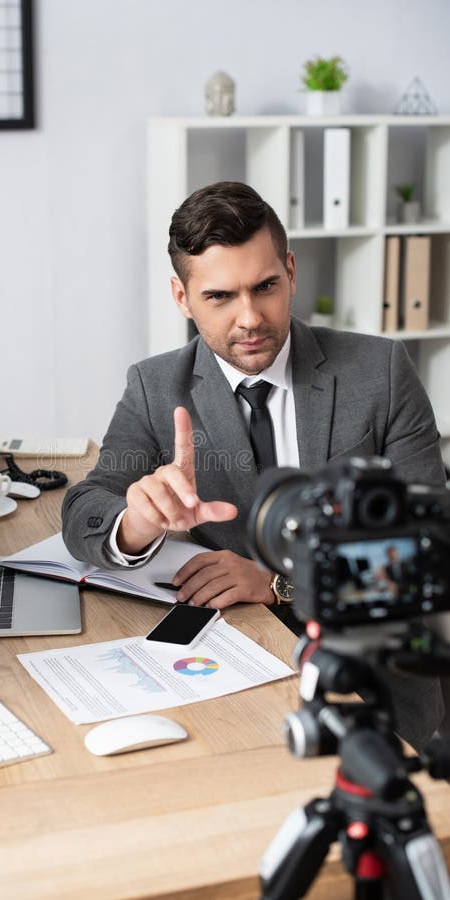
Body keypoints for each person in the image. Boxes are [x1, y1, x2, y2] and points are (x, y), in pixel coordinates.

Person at [62, 181, 446, 749]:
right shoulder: (154, 386)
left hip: (370, 682)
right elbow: (83, 511)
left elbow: (427, 553)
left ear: (290, 271)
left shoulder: (380, 371)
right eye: (219, 297)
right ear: (181, 297)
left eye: (265, 286)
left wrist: (277, 584)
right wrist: (137, 521)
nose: (250, 318)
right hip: (229, 661)